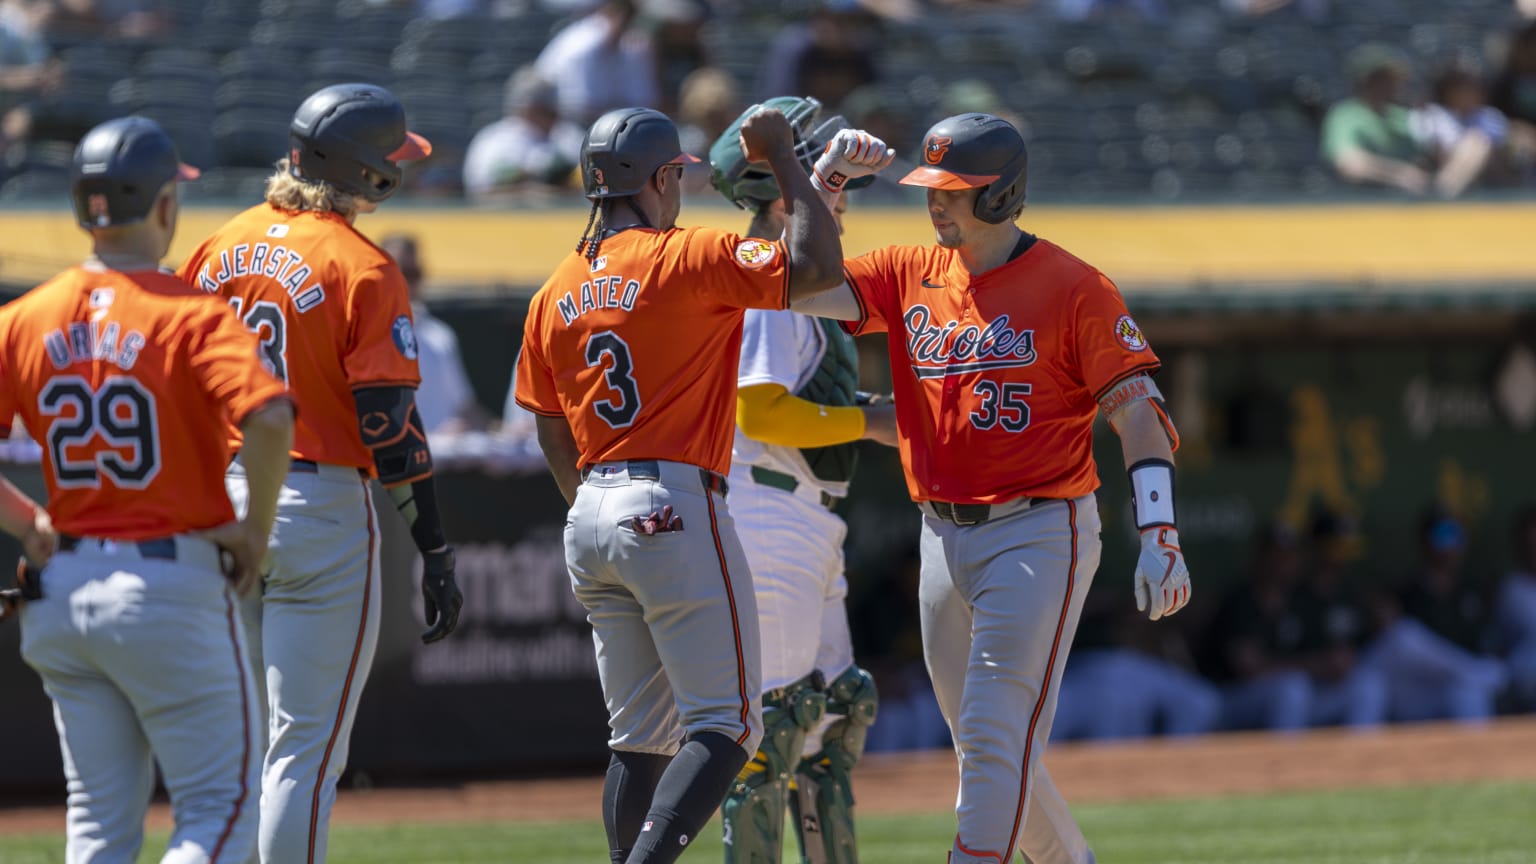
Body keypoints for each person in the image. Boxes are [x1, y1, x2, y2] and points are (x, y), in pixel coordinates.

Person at [791, 112, 1192, 864]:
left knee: (990, 735)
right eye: (930, 188)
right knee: (991, 748)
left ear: (1003, 196)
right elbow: (801, 286)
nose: (937, 203)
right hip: (940, 533)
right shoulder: (909, 269)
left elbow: (1139, 415)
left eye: (955, 190)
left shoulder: (1075, 286)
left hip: (1040, 528)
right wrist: (826, 185)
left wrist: (1161, 533)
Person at [513, 104, 879, 864]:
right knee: (730, 726)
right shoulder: (682, 256)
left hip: (591, 510)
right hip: (673, 498)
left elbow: (550, 424)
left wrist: (589, 499)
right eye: (675, 174)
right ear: (657, 179)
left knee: (638, 740)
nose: (680, 186)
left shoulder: (556, 287)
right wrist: (784, 158)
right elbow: (815, 269)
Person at [176, 83, 464, 864]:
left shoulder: (217, 245)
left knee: (227, 750)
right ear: (369, 171)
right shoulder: (363, 267)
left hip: (214, 502)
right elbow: (389, 430)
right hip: (315, 505)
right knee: (302, 751)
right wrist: (433, 546)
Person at [0, 116, 294, 862]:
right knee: (222, 810)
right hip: (167, 587)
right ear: (166, 205)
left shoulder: (23, 317)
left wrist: (25, 519)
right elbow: (269, 417)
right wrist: (255, 532)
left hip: (62, 586)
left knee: (98, 825)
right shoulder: (192, 314)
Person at [707, 95, 898, 864]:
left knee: (834, 715)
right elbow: (761, 412)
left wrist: (859, 409)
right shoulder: (767, 267)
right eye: (825, 177)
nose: (841, 197)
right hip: (765, 508)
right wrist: (869, 422)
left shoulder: (797, 268)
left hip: (803, 513)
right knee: (773, 729)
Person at [378, 233, 491, 434]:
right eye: (399, 272)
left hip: (438, 459)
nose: (406, 282)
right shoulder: (359, 335)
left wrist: (494, 430)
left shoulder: (440, 336)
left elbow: (464, 406)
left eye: (413, 273)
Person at [462, 66, 584, 203]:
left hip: (567, 220)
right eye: (540, 107)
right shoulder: (492, 141)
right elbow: (480, 193)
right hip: (505, 221)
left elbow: (590, 185)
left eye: (549, 108)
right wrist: (529, 192)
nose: (549, 114)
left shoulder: (570, 137)